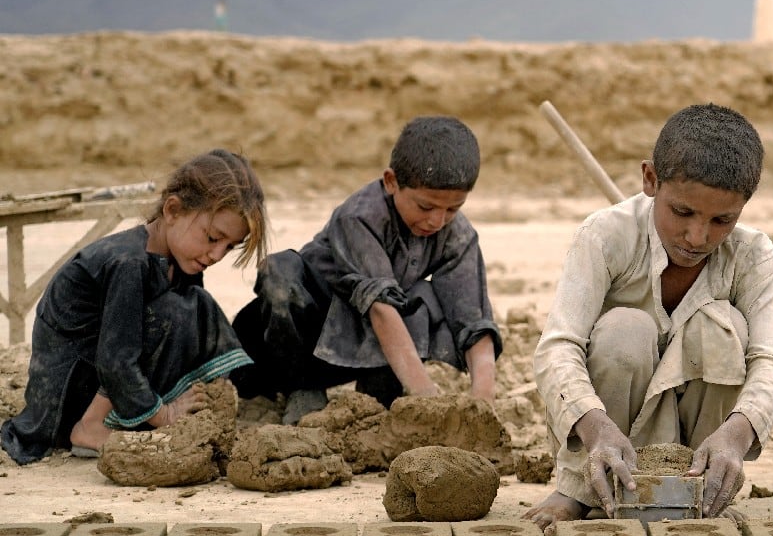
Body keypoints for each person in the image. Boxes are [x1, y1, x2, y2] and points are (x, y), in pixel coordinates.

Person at [525, 103, 773, 535]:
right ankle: (581, 490)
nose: (697, 237)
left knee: (722, 328)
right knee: (624, 330)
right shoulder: (604, 235)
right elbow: (558, 348)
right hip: (605, 436)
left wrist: (736, 435)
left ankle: (701, 490)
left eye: (722, 220)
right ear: (651, 180)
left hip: (696, 446)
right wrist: (595, 431)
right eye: (683, 213)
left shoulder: (752, 255)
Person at [1, 149, 269, 464]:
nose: (216, 255)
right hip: (66, 400)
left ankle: (143, 413)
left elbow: (190, 329)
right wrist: (165, 415)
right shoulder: (128, 264)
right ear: (172, 210)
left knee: (197, 304)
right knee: (169, 313)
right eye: (212, 238)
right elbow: (115, 360)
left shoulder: (182, 262)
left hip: (112, 383)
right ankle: (92, 427)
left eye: (229, 247)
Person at [230, 116, 501, 423]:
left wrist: (483, 401)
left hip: (371, 347)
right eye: (425, 207)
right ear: (391, 181)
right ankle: (301, 388)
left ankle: (380, 395)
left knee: (424, 296)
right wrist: (426, 396)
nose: (437, 221)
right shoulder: (359, 216)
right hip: (301, 340)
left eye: (453, 209)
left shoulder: (458, 235)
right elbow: (380, 307)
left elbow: (473, 319)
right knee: (280, 269)